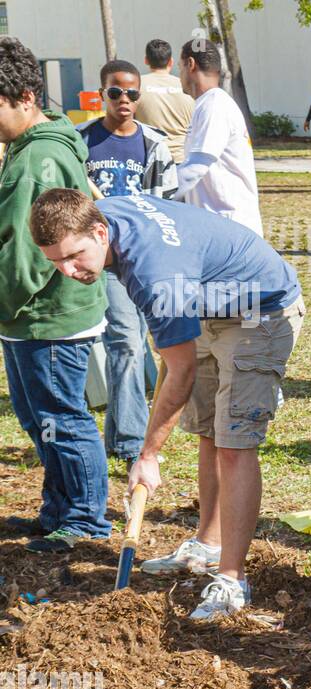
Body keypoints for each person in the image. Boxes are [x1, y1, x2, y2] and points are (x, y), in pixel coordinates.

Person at [31, 188, 305, 618]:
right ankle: (207, 546)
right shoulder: (104, 217)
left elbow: (180, 372)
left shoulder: (155, 275)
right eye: (55, 262)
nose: (68, 270)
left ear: (99, 232)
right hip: (208, 303)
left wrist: (148, 456)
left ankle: (232, 581)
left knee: (234, 442)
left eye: (74, 256)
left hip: (259, 310)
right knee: (208, 433)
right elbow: (175, 357)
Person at [0, 36, 110, 553]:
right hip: (30, 317)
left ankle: (86, 521)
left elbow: (27, 252)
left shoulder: (36, 159)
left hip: (47, 314)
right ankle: (59, 511)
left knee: (61, 419)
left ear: (24, 97)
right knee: (40, 420)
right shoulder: (28, 146)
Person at [77, 58, 176, 467]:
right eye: (116, 92)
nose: (124, 100)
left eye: (132, 93)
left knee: (131, 344)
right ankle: (133, 441)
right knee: (128, 342)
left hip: (139, 258)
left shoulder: (153, 144)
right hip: (99, 261)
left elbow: (166, 204)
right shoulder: (81, 141)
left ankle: (117, 437)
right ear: (102, 93)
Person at [174, 39, 262, 235]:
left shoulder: (214, 105)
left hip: (229, 227)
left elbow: (196, 166)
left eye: (179, 68)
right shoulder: (209, 104)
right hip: (219, 225)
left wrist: (154, 198)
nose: (179, 76)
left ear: (190, 64)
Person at [134, 38, 194, 165]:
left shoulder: (137, 85)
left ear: (146, 60)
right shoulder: (187, 86)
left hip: (151, 162)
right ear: (171, 62)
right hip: (182, 160)